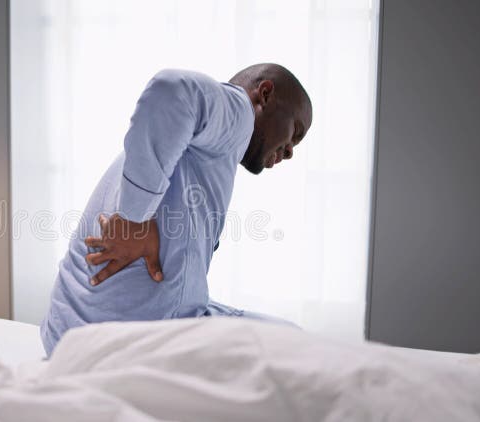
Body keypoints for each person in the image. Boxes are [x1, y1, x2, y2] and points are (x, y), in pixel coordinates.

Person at [40, 63, 313, 355]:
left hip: (68, 332)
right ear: (265, 94)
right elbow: (171, 89)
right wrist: (132, 220)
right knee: (298, 348)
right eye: (295, 132)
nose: (289, 152)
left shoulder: (196, 149)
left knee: (289, 339)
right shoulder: (239, 111)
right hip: (137, 342)